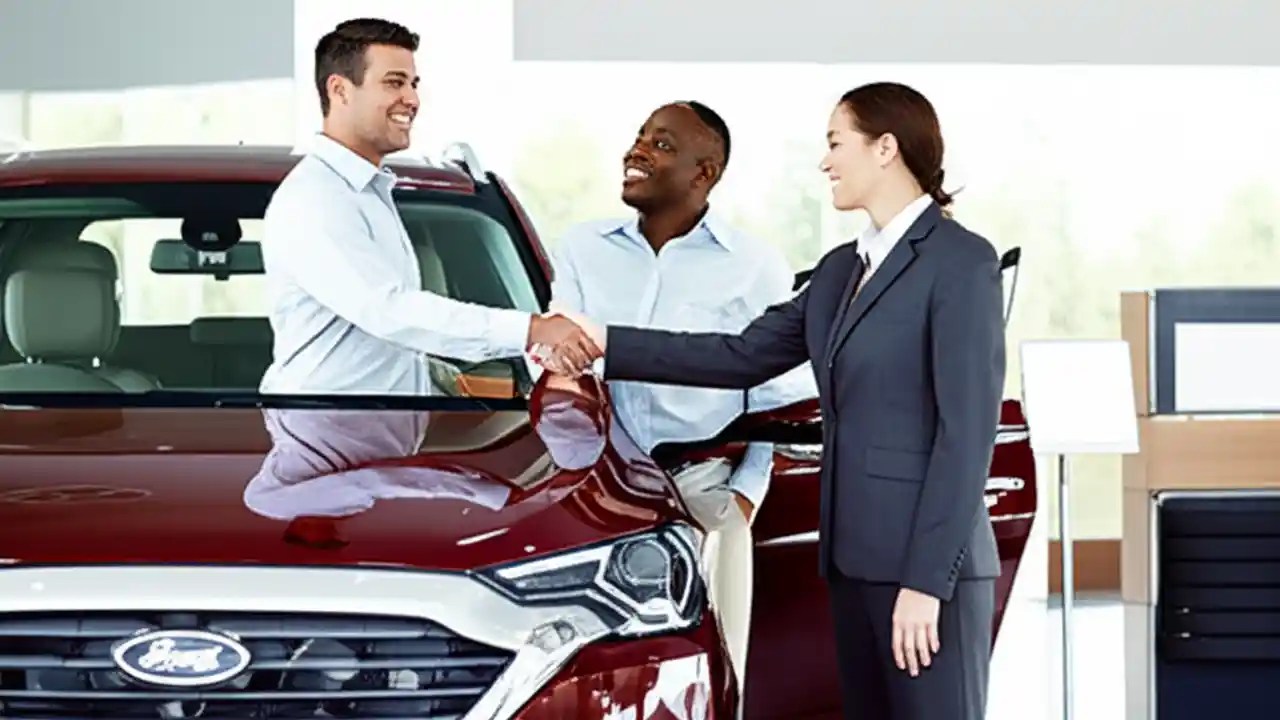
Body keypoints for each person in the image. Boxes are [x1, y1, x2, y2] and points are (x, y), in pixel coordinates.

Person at [545, 82, 1004, 720]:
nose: (825, 162)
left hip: (926, 575)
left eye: (836, 143)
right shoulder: (843, 268)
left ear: (886, 149)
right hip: (852, 563)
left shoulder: (961, 263)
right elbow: (737, 355)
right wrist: (602, 341)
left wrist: (927, 584)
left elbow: (966, 437)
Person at [539, 100, 818, 711]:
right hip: (593, 496)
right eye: (639, 136)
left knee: (712, 685)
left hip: (703, 491)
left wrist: (742, 498)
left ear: (704, 173)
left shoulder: (753, 266)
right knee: (585, 682)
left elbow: (777, 398)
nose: (636, 150)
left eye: (661, 145)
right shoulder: (583, 246)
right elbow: (558, 362)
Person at [259, 17, 592, 395]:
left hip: (375, 436)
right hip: (328, 438)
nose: (413, 99)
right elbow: (388, 311)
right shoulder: (316, 198)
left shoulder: (368, 192)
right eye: (394, 82)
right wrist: (532, 329)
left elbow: (390, 350)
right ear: (340, 90)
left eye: (413, 84)